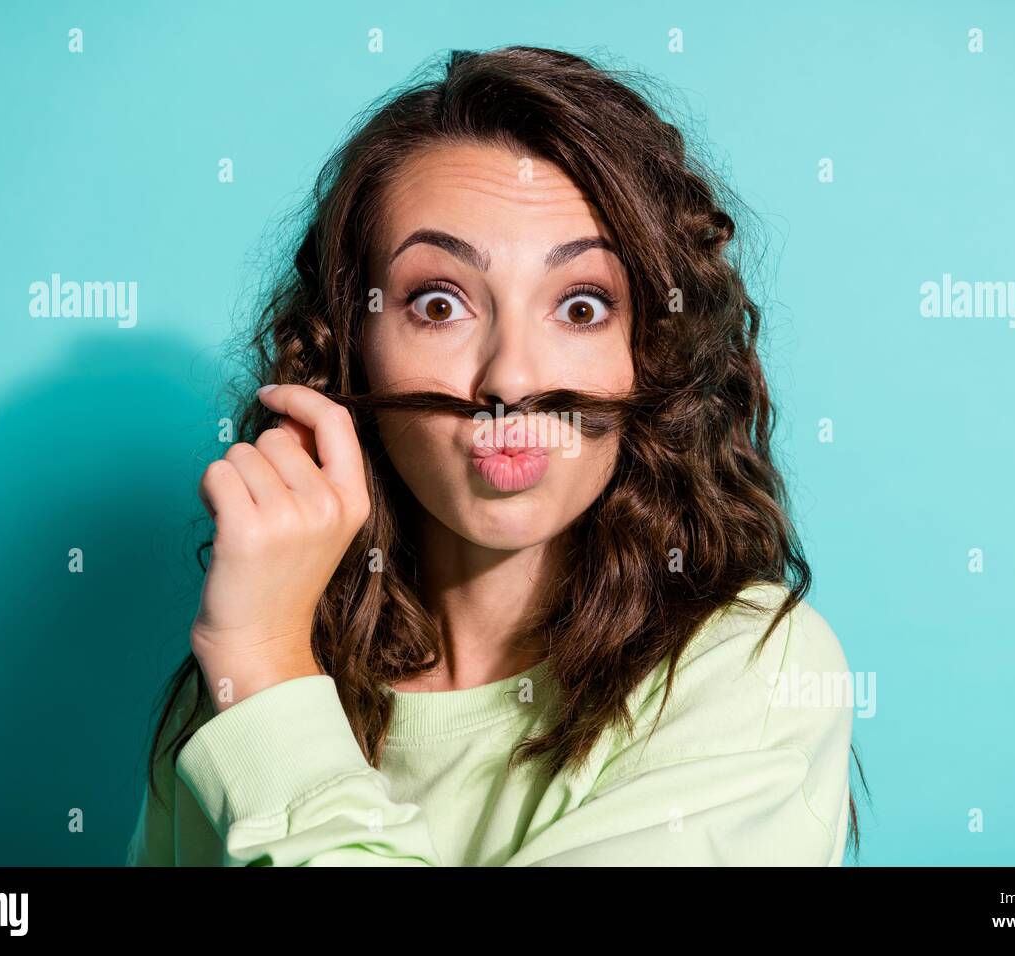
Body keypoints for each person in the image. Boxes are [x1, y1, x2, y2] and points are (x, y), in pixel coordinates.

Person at [126, 45, 861, 867]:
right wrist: (261, 671)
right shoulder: (246, 683)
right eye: (439, 304)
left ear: (651, 352)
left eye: (581, 307)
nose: (509, 380)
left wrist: (263, 675)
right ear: (350, 349)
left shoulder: (754, 676)